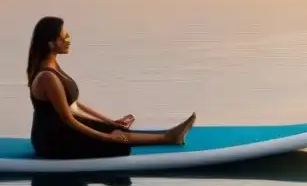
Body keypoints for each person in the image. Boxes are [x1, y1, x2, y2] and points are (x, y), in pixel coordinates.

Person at [27, 16, 196, 159]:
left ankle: (169, 136)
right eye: (64, 37)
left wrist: (109, 122)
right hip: (52, 141)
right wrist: (106, 137)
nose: (69, 41)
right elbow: (67, 118)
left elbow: (74, 104)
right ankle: (169, 137)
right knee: (117, 144)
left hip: (60, 130)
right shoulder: (47, 77)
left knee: (117, 130)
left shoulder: (53, 66)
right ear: (51, 44)